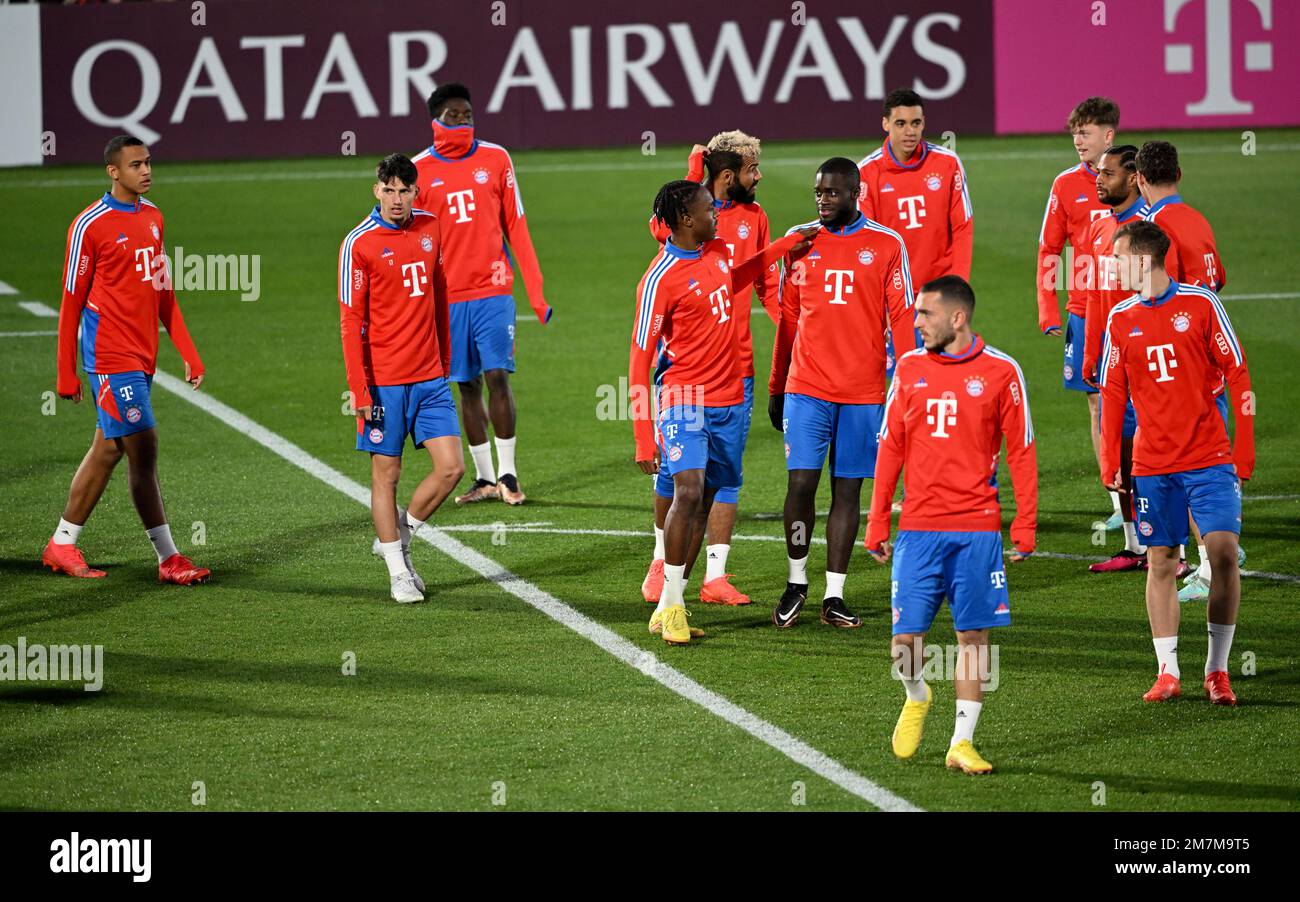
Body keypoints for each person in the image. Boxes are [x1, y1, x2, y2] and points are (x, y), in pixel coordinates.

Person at [865, 276, 1037, 775]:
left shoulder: (1002, 371)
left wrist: (1025, 524)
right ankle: (917, 694)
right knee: (905, 643)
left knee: (973, 639)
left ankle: (962, 741)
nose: (916, 323)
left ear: (957, 318)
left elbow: (1022, 450)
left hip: (978, 531)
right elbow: (891, 445)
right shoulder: (910, 368)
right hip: (918, 529)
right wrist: (878, 520)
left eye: (925, 314)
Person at [629, 180, 812, 645]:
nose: (717, 213)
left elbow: (734, 280)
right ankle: (671, 605)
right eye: (709, 208)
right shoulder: (659, 277)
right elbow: (638, 358)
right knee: (687, 492)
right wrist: (642, 436)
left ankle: (674, 601)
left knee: (707, 498)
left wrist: (784, 246)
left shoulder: (716, 252)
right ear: (686, 219)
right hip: (684, 396)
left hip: (731, 398)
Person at [1098, 220, 1253, 706]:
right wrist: (1110, 458)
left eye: (1119, 258)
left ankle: (1217, 669)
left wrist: (1242, 449)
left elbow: (1238, 371)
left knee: (1224, 553)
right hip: (1152, 462)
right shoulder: (1120, 318)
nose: (1112, 267)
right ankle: (1167, 670)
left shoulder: (1201, 304)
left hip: (1208, 457)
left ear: (1143, 260)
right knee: (1161, 561)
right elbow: (1113, 391)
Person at [44, 135, 210, 586]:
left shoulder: (154, 218)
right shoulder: (90, 225)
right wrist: (66, 371)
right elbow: (71, 302)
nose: (147, 170)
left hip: (142, 357)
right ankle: (169, 557)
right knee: (144, 444)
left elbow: (164, 293)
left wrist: (189, 354)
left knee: (109, 448)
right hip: (109, 356)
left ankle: (61, 543)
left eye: (149, 162)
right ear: (113, 172)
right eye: (136, 164)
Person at [768, 158, 915, 629]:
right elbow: (788, 321)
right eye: (818, 192)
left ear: (856, 193)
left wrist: (910, 386)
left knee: (847, 490)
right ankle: (795, 582)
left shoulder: (888, 245)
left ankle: (834, 593)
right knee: (800, 486)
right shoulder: (800, 242)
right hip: (806, 388)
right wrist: (776, 384)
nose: (823, 200)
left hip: (863, 392)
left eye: (832, 192)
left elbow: (904, 320)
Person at [641, 131, 779, 608]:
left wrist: (794, 331)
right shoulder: (680, 235)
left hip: (736, 373)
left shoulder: (741, 229)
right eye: (751, 168)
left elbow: (759, 281)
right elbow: (667, 216)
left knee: (723, 479)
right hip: (685, 385)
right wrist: (692, 167)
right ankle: (663, 566)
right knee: (682, 482)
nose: (758, 176)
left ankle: (711, 577)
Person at [412, 82, 551, 506]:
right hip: (447, 298)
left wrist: (536, 292)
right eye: (454, 115)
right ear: (436, 119)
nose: (463, 121)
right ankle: (484, 477)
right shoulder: (418, 170)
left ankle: (508, 473)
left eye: (468, 114)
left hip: (493, 288)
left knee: (497, 376)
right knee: (466, 385)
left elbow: (518, 227)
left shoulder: (496, 158)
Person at [341, 154, 464, 603]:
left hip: (430, 376)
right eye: (388, 189)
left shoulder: (431, 227)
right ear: (376, 189)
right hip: (384, 382)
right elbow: (350, 320)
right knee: (386, 474)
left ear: (416, 192)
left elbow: (440, 292)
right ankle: (397, 570)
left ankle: (400, 536)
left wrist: (445, 357)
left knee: (452, 468)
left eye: (404, 190)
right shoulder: (359, 243)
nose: (396, 199)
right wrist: (359, 388)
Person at [1135, 140, 1236, 600]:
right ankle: (1220, 546)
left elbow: (1158, 294)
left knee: (1187, 462)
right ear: (1180, 173)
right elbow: (1217, 282)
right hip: (1210, 359)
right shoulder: (1198, 218)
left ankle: (1205, 566)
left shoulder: (1154, 228)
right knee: (1210, 458)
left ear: (1139, 179)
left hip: (1179, 366)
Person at [1035, 98, 1125, 530]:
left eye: (1085, 132)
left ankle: (1147, 493)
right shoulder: (1065, 185)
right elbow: (1050, 248)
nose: (1077, 140)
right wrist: (1048, 308)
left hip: (1128, 309)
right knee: (1096, 405)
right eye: (1074, 132)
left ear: (1109, 135)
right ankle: (1117, 500)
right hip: (1085, 309)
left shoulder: (1132, 179)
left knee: (1135, 405)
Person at [1079, 145, 1148, 572]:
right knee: (1120, 457)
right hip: (1110, 362)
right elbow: (1091, 297)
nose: (1098, 180)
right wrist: (1090, 353)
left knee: (1155, 457)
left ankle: (1175, 550)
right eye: (1097, 173)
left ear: (1134, 177)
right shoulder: (1097, 228)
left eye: (1107, 174)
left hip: (1145, 363)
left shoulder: (1149, 230)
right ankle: (1133, 545)